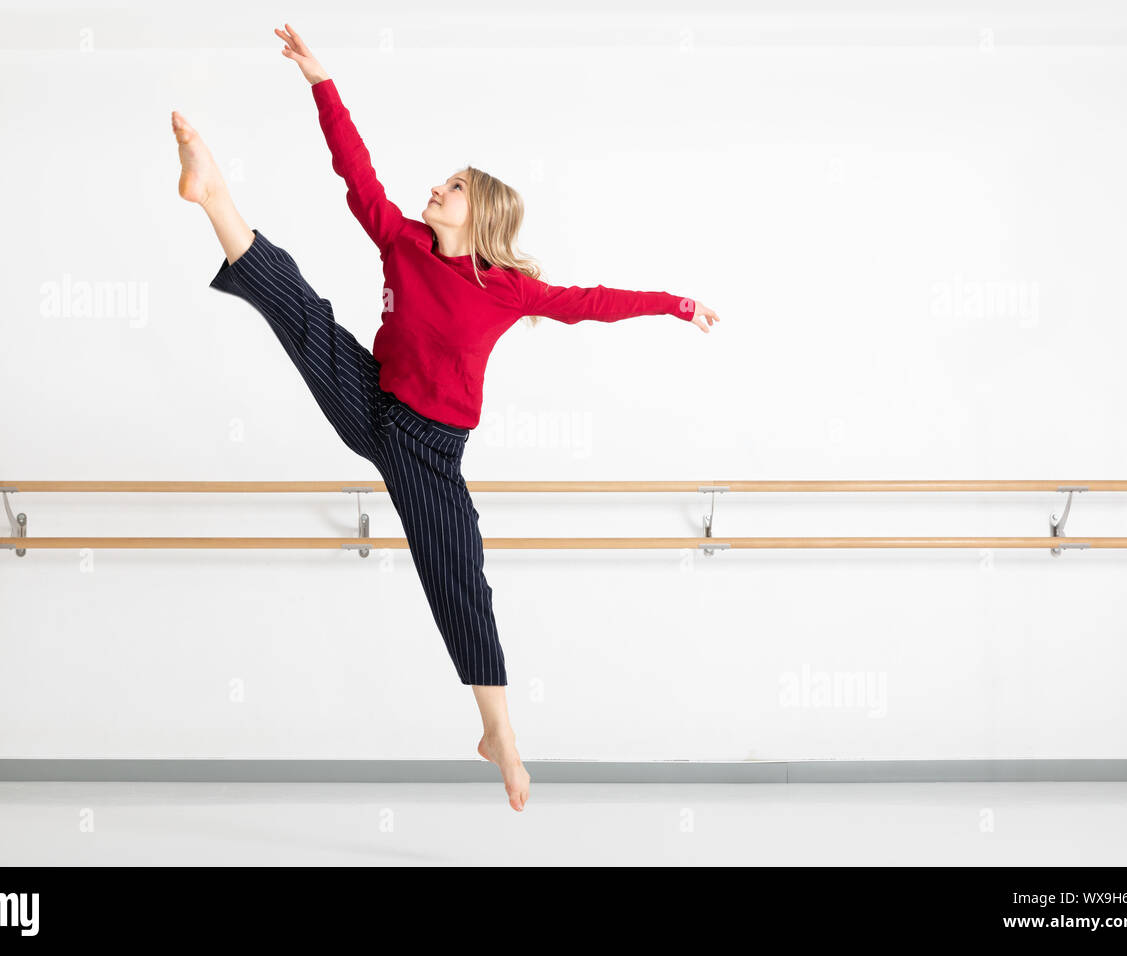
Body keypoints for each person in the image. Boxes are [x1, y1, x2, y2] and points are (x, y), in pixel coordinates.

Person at [171, 22, 721, 812]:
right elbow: (353, 171)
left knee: (459, 580)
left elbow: (591, 304)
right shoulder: (400, 242)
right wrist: (320, 80)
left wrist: (674, 304)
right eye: (442, 181)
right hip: (374, 404)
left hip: (431, 452)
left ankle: (500, 735)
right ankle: (213, 193)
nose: (436, 188)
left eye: (453, 186)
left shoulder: (506, 287)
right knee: (300, 304)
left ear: (480, 211)